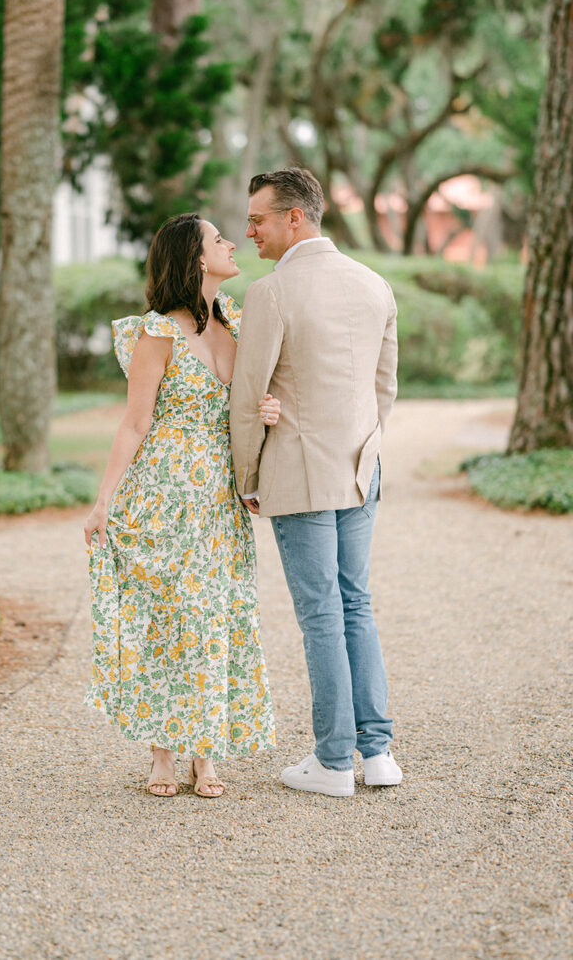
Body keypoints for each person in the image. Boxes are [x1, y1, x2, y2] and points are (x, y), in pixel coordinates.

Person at [83, 213, 278, 798]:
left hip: (220, 502)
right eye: (219, 239)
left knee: (215, 617)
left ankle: (207, 750)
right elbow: (134, 422)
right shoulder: (155, 333)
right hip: (163, 499)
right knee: (170, 620)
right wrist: (102, 503)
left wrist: (266, 412)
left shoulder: (239, 325)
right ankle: (163, 753)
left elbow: (250, 404)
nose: (232, 243)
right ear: (196, 258)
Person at [229, 167, 402, 798]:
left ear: (294, 217)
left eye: (258, 219)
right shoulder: (372, 283)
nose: (249, 230)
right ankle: (378, 754)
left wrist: (246, 475)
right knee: (356, 604)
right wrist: (367, 452)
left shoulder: (271, 293)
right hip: (362, 469)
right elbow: (385, 386)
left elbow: (250, 397)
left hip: (298, 472)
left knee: (323, 615)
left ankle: (333, 762)